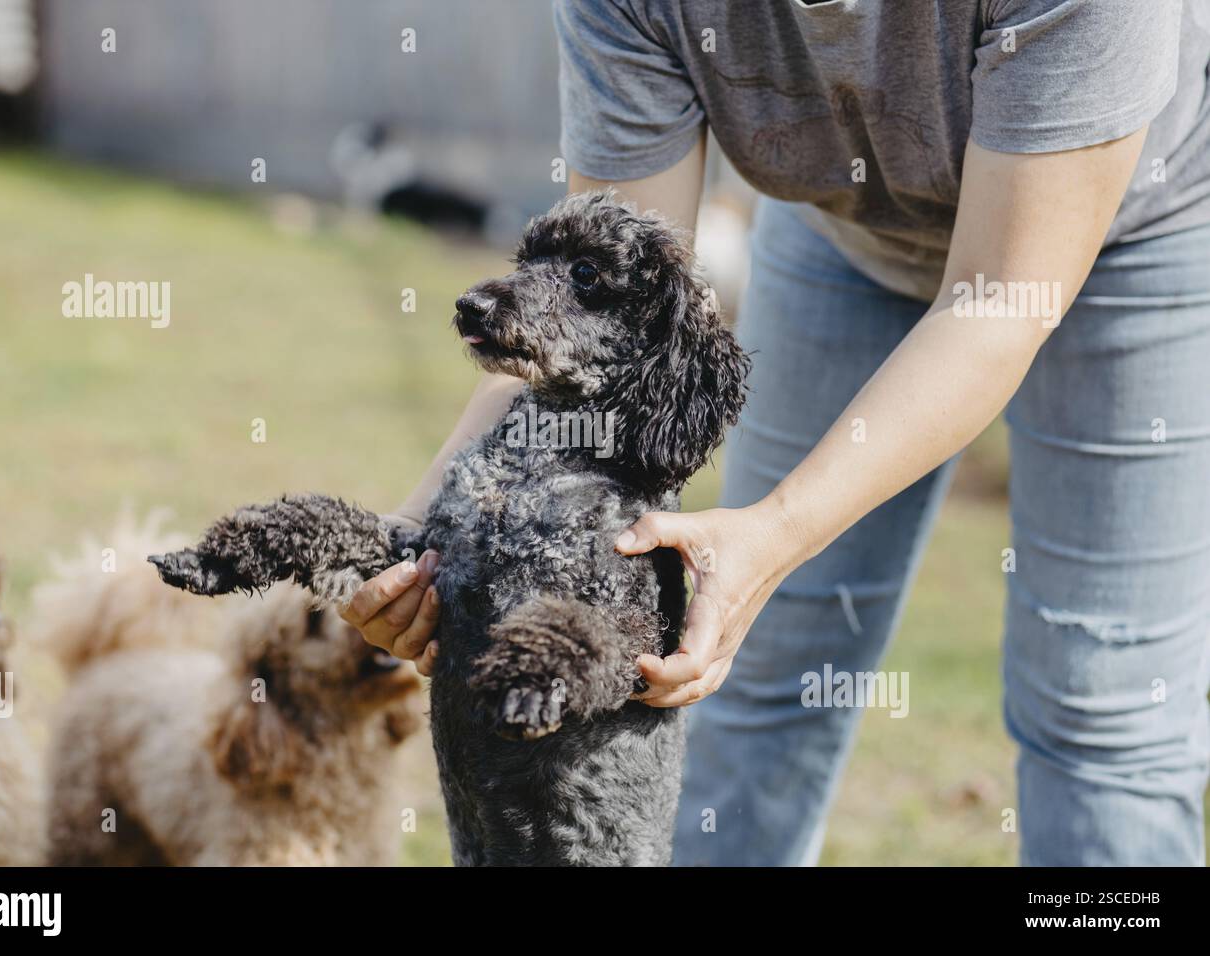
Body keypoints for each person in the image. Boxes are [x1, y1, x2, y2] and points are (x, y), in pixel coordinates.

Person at [341, 0, 1210, 866]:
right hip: (846, 229)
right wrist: (419, 530)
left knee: (1103, 707)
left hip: (1139, 235)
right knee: (758, 661)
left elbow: (997, 300)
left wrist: (781, 525)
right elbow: (594, 334)